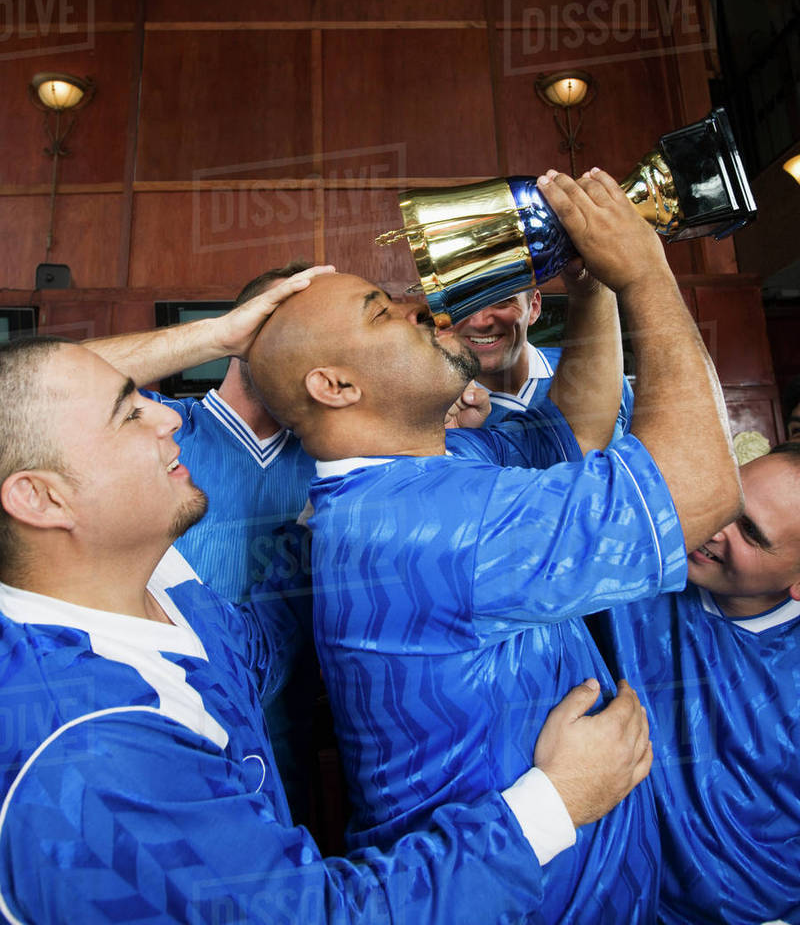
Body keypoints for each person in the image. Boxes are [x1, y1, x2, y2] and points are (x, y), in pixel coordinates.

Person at [0, 331, 655, 925]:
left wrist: (343, 526)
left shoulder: (139, 579)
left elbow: (248, 651)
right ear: (39, 496)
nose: (171, 412)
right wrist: (556, 802)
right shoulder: (92, 754)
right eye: (130, 412)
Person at [248, 167, 743, 925]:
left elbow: (573, 428)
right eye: (385, 312)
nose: (425, 307)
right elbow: (703, 491)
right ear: (335, 387)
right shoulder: (424, 528)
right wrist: (645, 271)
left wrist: (593, 289)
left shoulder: (420, 479)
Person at [86, 262, 319, 819]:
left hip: (293, 738)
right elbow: (34, 390)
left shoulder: (337, 457)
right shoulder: (159, 432)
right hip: (159, 730)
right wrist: (216, 333)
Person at [593, 441, 800, 925]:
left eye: (749, 531)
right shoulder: (637, 561)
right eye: (725, 499)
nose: (715, 525)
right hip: (613, 898)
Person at [440, 287, 635, 433]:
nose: (480, 322)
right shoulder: (442, 408)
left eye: (501, 300)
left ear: (533, 307)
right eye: (462, 304)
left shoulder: (596, 370)